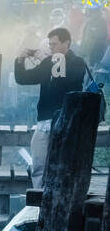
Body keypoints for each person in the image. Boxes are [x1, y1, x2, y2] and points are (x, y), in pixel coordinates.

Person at [14, 26, 88, 188]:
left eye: (54, 44)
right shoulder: (47, 62)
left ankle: (62, 197)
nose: (51, 47)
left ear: (66, 43)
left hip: (66, 121)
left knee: (63, 164)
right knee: (39, 163)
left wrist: (52, 62)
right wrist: (20, 62)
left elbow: (66, 80)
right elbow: (23, 79)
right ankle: (40, 200)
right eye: (50, 45)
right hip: (43, 122)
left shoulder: (77, 63)